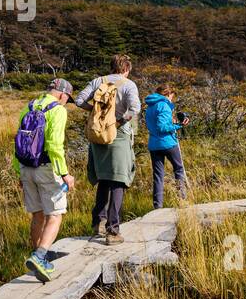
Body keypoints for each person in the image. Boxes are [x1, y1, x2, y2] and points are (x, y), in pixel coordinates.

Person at [12, 78, 76, 283]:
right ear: (61, 94)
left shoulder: (28, 106)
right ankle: (39, 257)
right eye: (67, 97)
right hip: (47, 169)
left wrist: (18, 173)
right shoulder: (58, 110)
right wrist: (65, 173)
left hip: (26, 167)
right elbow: (55, 145)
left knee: (37, 215)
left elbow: (18, 141)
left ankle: (37, 257)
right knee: (55, 215)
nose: (67, 101)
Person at [74, 54, 141, 244]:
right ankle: (113, 231)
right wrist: (117, 121)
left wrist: (97, 112)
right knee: (118, 180)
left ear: (112, 67)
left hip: (97, 134)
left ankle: (99, 223)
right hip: (118, 135)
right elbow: (135, 109)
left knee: (103, 178)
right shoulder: (128, 84)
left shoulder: (98, 81)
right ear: (126, 68)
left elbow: (79, 101)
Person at [144, 84, 190, 209]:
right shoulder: (164, 105)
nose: (171, 99)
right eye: (171, 96)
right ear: (167, 94)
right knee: (179, 169)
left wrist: (172, 122)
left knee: (158, 175)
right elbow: (162, 127)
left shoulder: (149, 107)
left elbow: (155, 125)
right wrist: (179, 125)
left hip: (154, 144)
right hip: (168, 143)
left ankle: (157, 206)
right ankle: (182, 201)